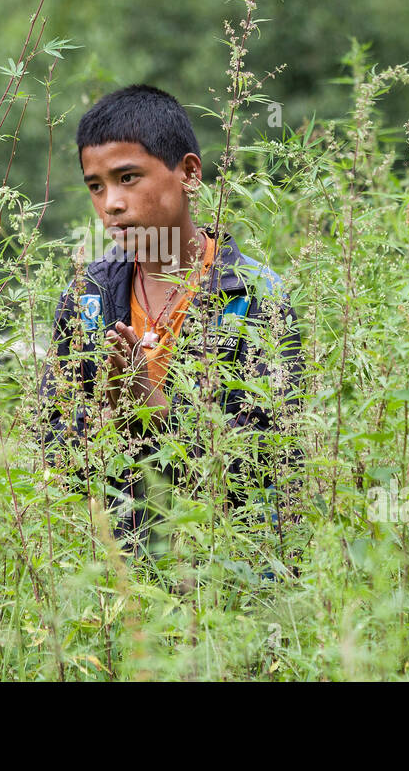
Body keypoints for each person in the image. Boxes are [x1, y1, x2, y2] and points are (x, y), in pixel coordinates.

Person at [38, 84, 303, 558]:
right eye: (96, 186)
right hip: (115, 569)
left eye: (128, 178)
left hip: (228, 567)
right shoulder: (87, 298)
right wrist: (106, 420)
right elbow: (49, 437)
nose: (111, 204)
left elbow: (278, 459)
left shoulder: (253, 294)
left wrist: (160, 416)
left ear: (189, 174)